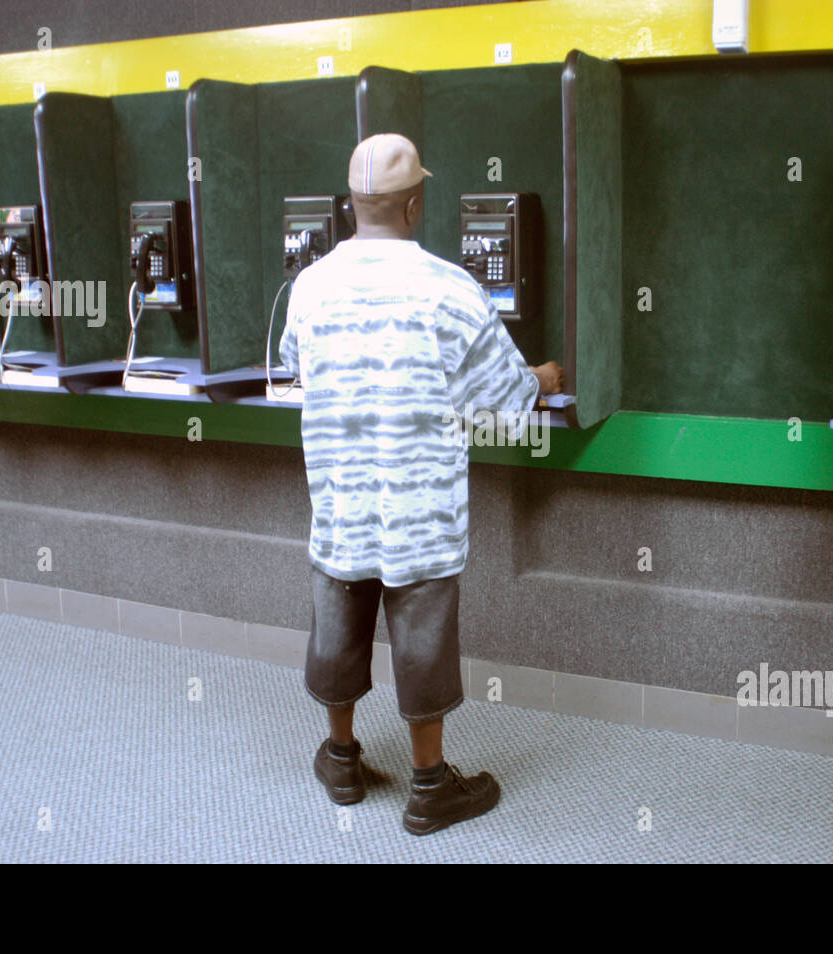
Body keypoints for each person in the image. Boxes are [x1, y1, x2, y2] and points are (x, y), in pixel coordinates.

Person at [278, 133, 564, 835]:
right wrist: (545, 380)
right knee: (423, 636)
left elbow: (295, 366)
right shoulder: (449, 287)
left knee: (338, 623)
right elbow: (504, 397)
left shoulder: (309, 286)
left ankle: (341, 761)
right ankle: (431, 785)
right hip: (421, 509)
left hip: (342, 500)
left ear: (350, 207)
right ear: (413, 207)